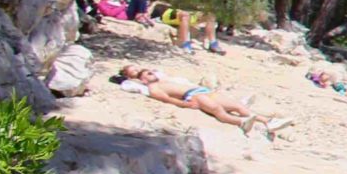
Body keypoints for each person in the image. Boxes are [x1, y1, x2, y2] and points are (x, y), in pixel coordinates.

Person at [112, 66, 280, 136]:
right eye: (147, 74)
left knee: (236, 105)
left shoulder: (162, 80)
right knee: (216, 109)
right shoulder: (152, 88)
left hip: (202, 90)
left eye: (150, 72)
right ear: (142, 80)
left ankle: (267, 122)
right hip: (194, 96)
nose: (152, 74)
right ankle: (240, 122)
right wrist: (184, 104)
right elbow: (166, 98)